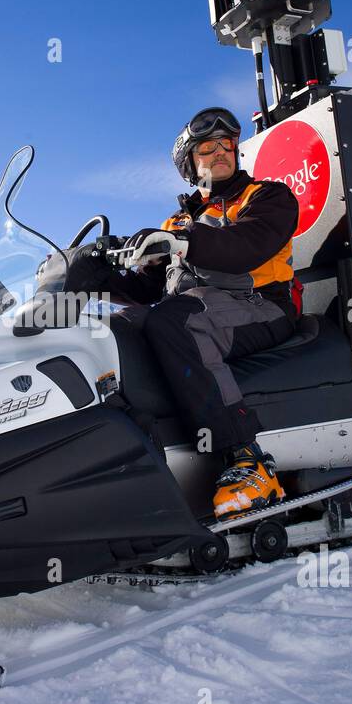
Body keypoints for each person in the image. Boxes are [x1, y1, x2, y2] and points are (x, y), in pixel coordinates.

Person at [79, 107, 301, 519]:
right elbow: (147, 289)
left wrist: (181, 241)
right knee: (115, 330)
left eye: (226, 145)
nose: (220, 152)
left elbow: (246, 246)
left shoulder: (268, 197)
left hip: (262, 306)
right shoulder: (178, 220)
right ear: (188, 164)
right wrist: (96, 277)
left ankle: (248, 459)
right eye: (206, 148)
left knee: (178, 320)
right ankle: (128, 448)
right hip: (198, 304)